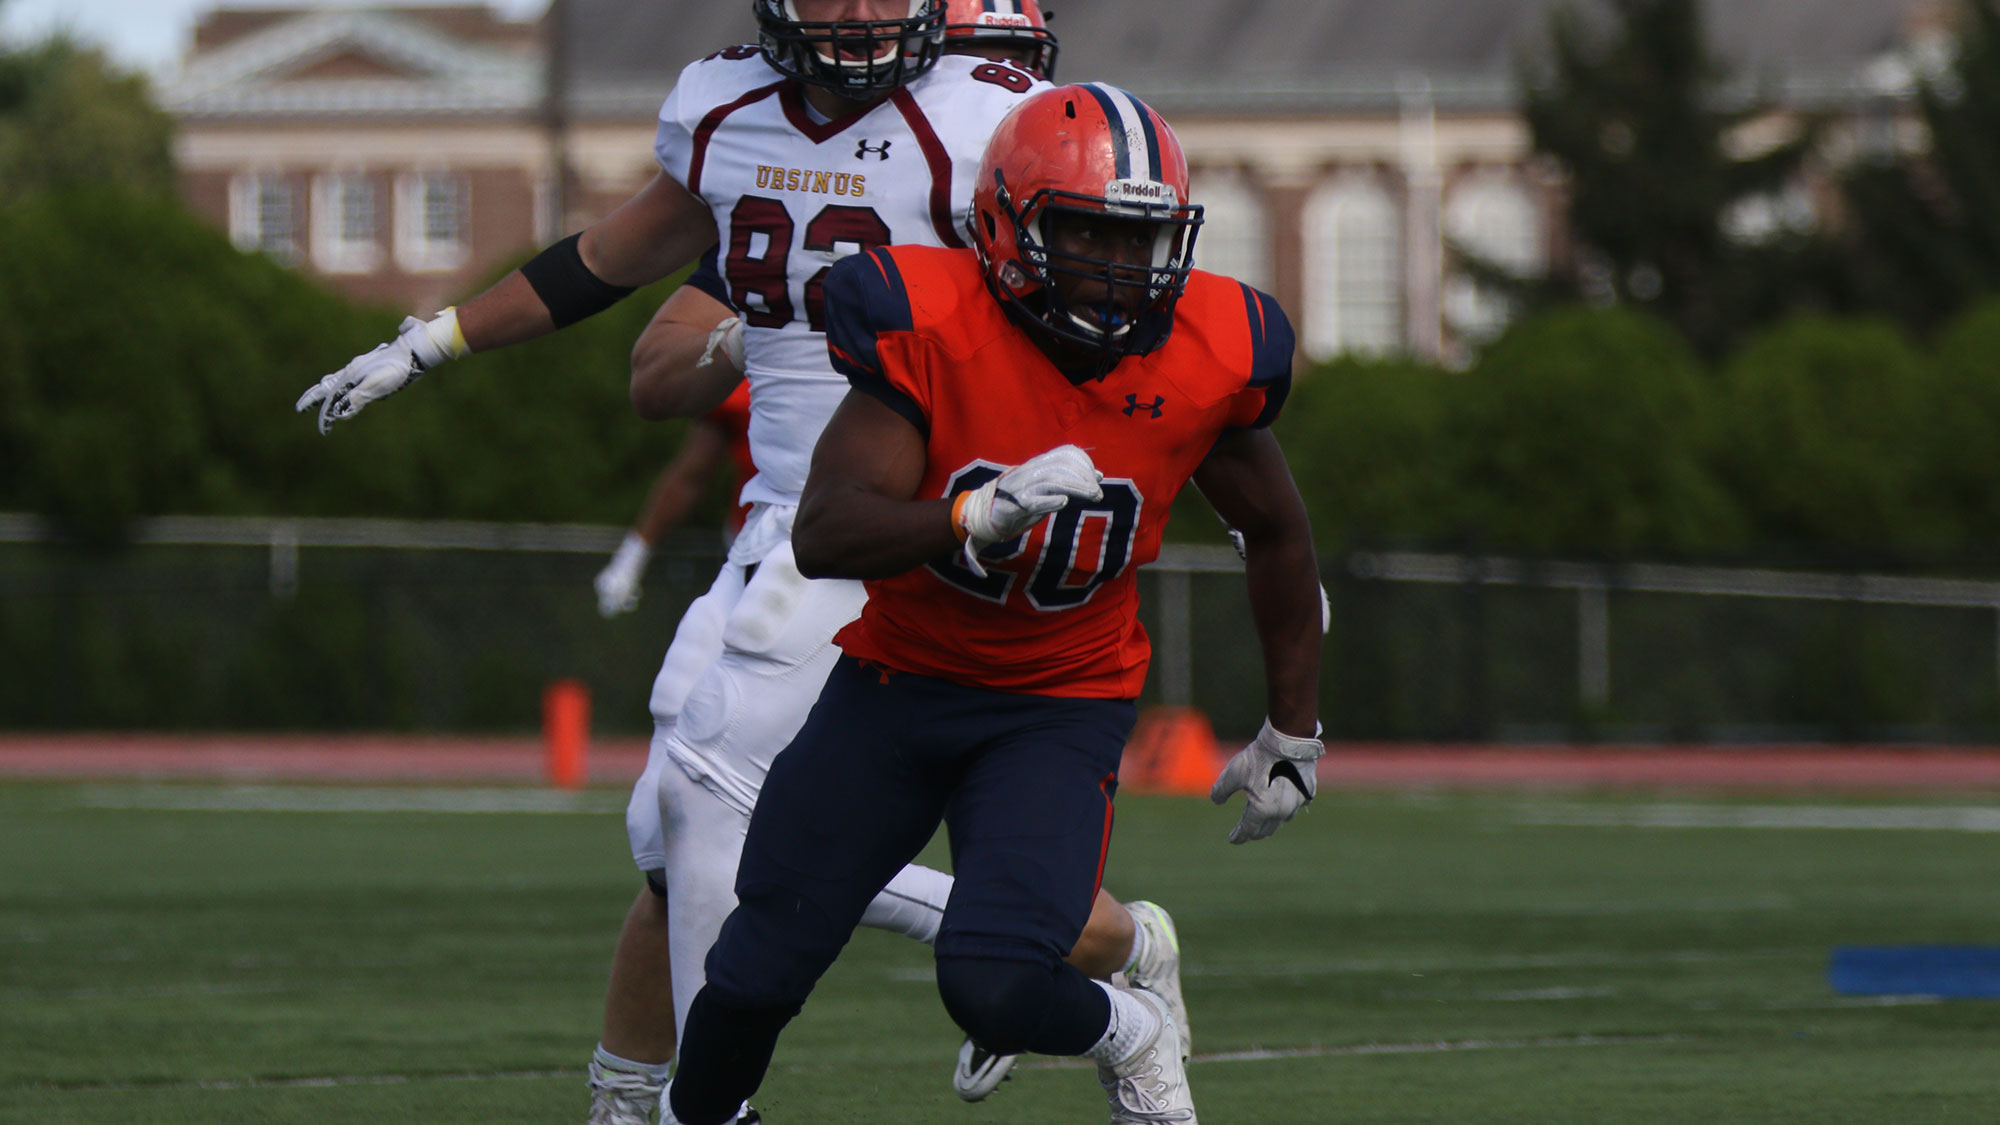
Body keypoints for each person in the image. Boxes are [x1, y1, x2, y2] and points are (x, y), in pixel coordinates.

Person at [293, 4, 1183, 1122]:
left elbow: (1112, 312)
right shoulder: (722, 109)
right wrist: (434, 340)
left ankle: (699, 1106)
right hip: (773, 525)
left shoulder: (984, 122)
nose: (858, 19)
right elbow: (604, 261)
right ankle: (1104, 948)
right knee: (670, 839)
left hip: (893, 525)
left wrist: (1213, 486)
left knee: (709, 784)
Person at [661, 83, 1323, 1125]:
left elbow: (1277, 532)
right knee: (756, 963)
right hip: (900, 681)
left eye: (1140, 239)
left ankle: (1131, 1029)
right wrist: (967, 516)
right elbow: (826, 527)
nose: (1119, 267)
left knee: (996, 984)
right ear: (1007, 225)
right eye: (1088, 233)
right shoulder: (927, 316)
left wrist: (1293, 727)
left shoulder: (1211, 347)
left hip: (1058, 701)